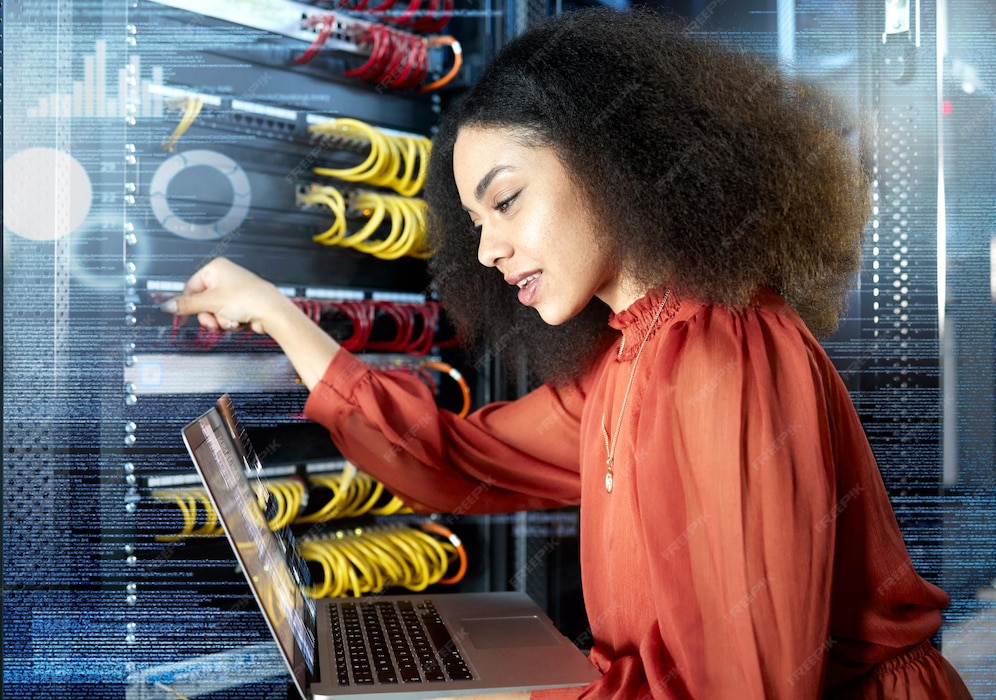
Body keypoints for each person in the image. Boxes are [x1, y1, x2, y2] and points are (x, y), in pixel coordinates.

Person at [161, 8, 973, 699]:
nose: (487, 252)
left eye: (507, 201)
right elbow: (459, 457)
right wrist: (277, 312)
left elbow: (741, 687)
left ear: (612, 160)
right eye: (476, 224)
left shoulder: (721, 351)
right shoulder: (627, 362)